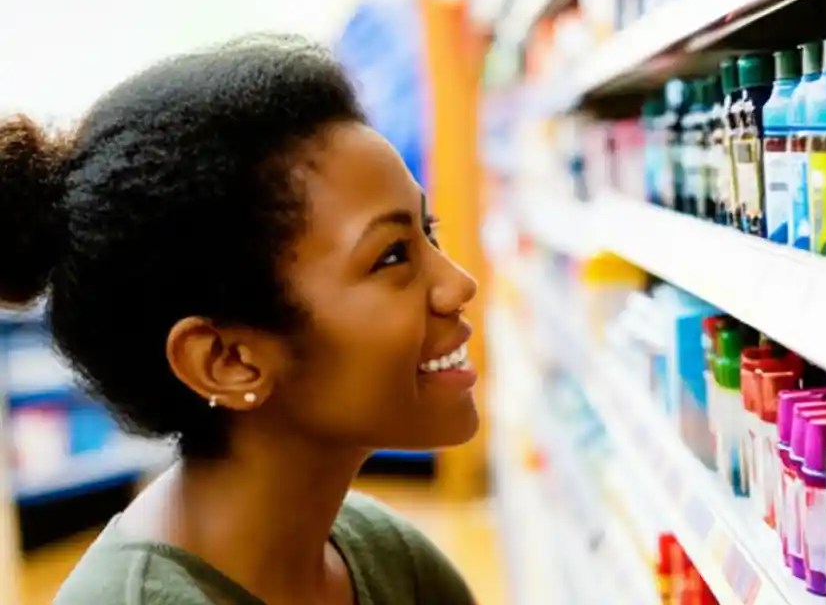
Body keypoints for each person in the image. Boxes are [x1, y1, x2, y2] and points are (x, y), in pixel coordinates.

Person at [0, 35, 479, 604]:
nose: (458, 284)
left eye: (429, 231)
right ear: (226, 361)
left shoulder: (386, 556)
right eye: (393, 255)